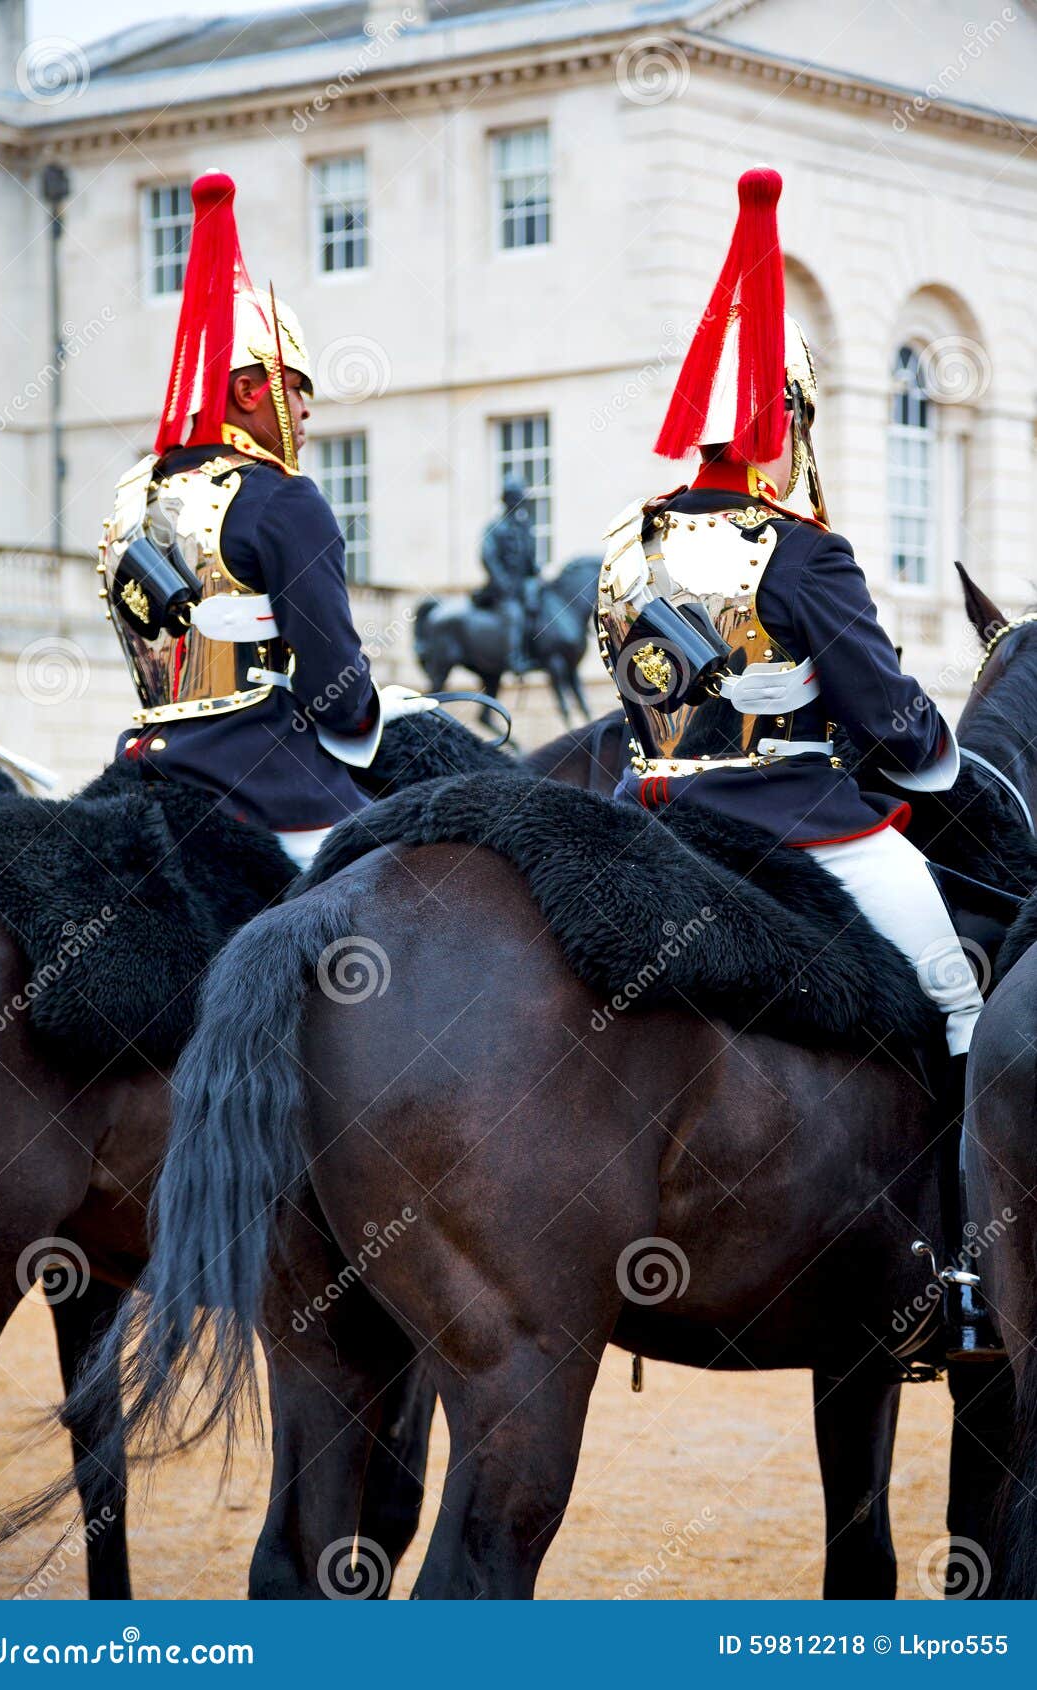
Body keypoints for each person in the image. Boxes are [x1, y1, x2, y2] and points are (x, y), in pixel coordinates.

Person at [598, 167, 992, 1353]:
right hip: (794, 821)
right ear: (785, 428)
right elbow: (889, 722)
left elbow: (636, 687)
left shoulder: (629, 546)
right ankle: (971, 1273)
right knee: (957, 992)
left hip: (645, 813)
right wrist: (929, 760)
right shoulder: (802, 549)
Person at [99, 171, 433, 871]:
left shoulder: (135, 493)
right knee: (418, 881)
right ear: (249, 391)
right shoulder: (283, 498)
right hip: (263, 778)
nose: (306, 412)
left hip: (145, 761)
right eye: (295, 390)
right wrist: (373, 710)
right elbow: (335, 695)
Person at [480, 476, 541, 675]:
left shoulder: (524, 526)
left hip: (525, 584)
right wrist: (502, 583)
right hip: (504, 589)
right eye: (514, 499)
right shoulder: (495, 527)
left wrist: (535, 569)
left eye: (520, 499)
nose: (518, 503)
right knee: (514, 615)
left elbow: (530, 556)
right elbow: (488, 557)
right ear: (507, 500)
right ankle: (514, 659)